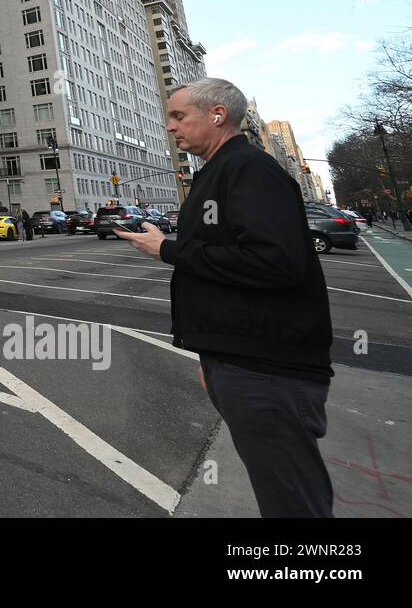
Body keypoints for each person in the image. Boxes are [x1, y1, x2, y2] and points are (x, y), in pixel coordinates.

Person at [116, 78, 334, 518]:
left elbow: (276, 263)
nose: (170, 127)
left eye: (179, 116)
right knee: (283, 492)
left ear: (217, 115)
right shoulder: (217, 172)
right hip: (240, 361)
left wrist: (168, 249)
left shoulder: (249, 169)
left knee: (292, 500)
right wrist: (212, 358)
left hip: (268, 371)